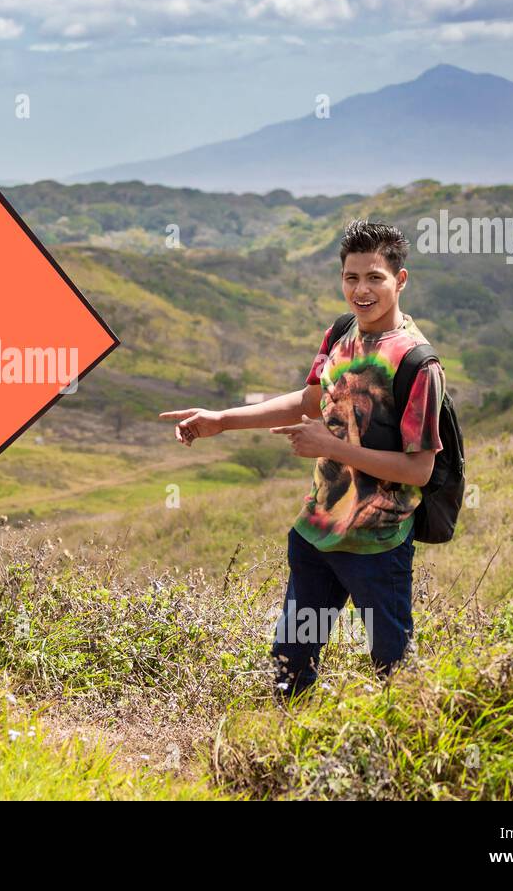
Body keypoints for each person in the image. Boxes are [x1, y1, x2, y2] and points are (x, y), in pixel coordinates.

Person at [158, 220, 446, 699]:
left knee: (393, 677)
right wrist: (222, 420)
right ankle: (288, 756)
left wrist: (331, 446)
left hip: (378, 541)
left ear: (401, 280)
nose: (361, 290)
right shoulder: (339, 333)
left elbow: (419, 470)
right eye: (351, 278)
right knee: (289, 669)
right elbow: (309, 402)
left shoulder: (417, 364)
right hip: (317, 533)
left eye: (375, 277)